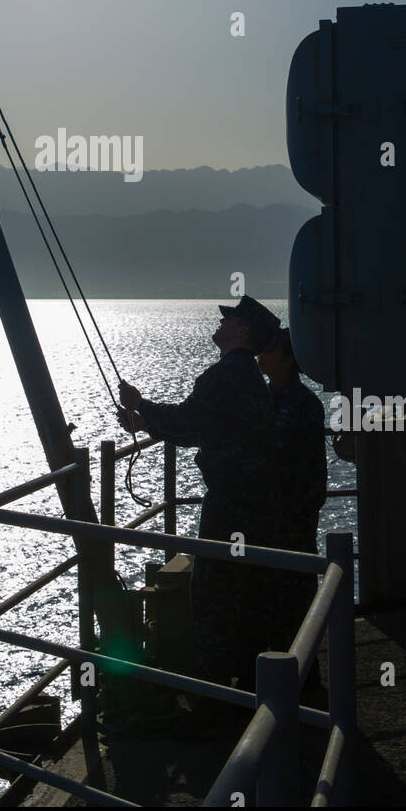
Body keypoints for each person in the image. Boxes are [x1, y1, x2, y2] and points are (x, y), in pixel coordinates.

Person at [116, 294, 285, 701]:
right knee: (243, 594)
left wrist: (142, 405)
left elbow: (189, 422)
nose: (221, 323)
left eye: (229, 320)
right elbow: (198, 430)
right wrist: (146, 421)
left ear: (241, 331)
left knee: (212, 596)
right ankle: (245, 683)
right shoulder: (244, 376)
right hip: (250, 503)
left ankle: (215, 697)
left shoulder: (224, 375)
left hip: (230, 506)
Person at [256, 326, 328, 702]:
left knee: (294, 593)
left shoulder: (299, 403)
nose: (261, 357)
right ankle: (283, 672)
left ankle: (304, 676)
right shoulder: (275, 398)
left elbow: (299, 462)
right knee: (274, 594)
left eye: (268, 351)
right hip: (277, 513)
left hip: (292, 514)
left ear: (287, 360)